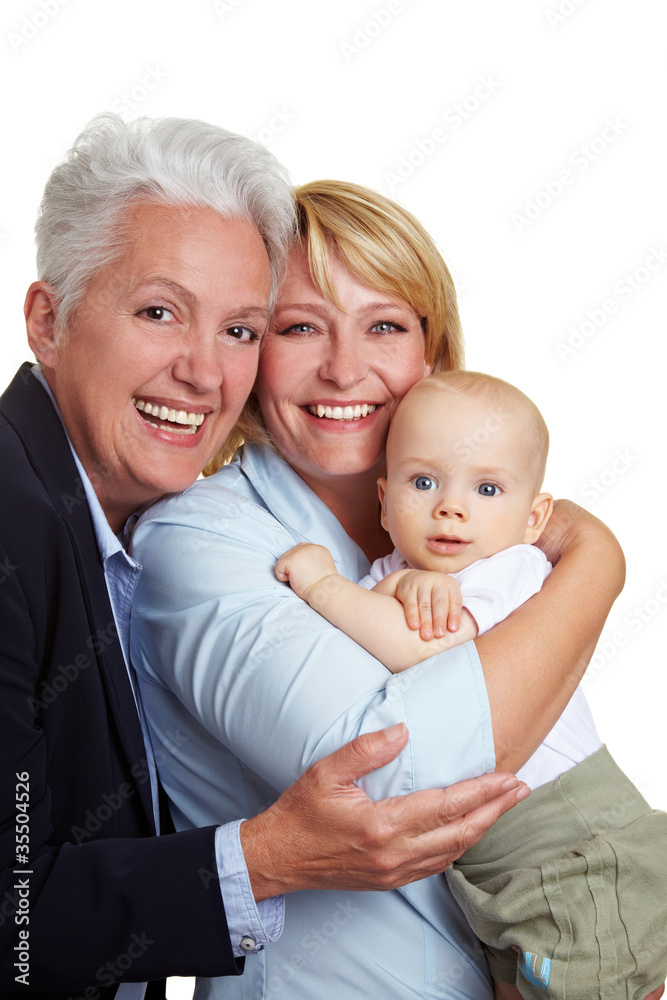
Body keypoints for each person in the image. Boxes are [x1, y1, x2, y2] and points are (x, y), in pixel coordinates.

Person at [0, 119, 531, 999]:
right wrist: (595, 573)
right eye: (159, 311)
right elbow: (15, 918)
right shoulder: (90, 528)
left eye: (240, 329)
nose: (204, 373)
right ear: (48, 322)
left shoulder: (97, 528)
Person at [129, 180, 639, 999]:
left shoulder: (459, 534)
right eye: (299, 327)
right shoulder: (197, 541)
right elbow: (397, 786)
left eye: (385, 326)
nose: (343, 368)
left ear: (431, 353)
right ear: (253, 350)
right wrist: (595, 569)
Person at [276, 369, 667, 1000]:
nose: (451, 506)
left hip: (571, 846)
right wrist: (398, 586)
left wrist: (323, 586)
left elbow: (424, 647)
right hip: (497, 871)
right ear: (384, 496)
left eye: (487, 488)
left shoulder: (513, 568)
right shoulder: (389, 571)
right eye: (423, 481)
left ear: (534, 516)